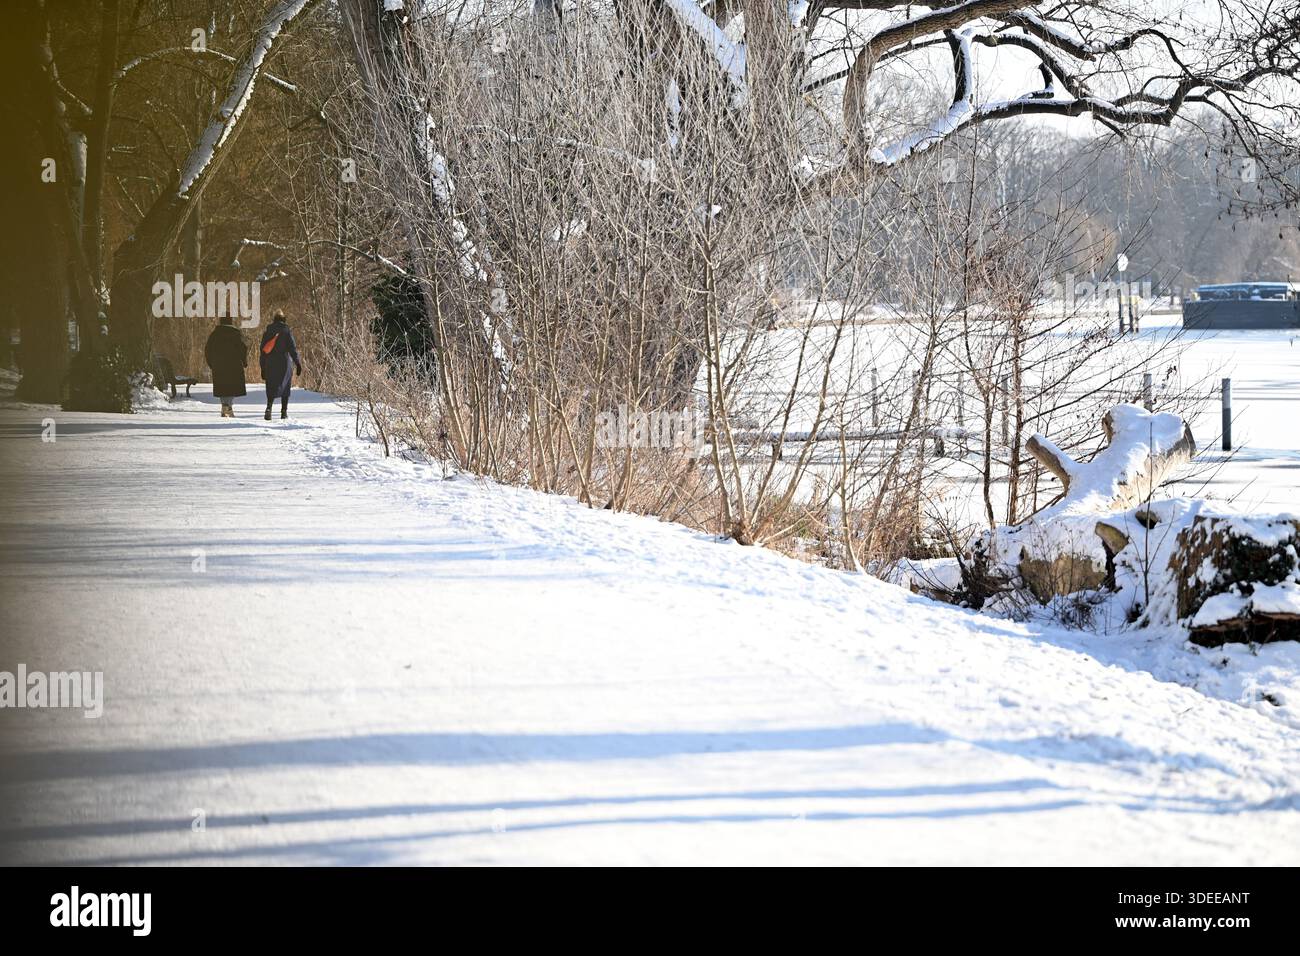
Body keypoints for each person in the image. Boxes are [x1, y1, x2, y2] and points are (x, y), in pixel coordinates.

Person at [259, 310, 302, 420]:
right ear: (284, 319)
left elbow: (263, 350)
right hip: (284, 362)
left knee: (271, 386)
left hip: (270, 362)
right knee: (285, 386)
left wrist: (262, 367)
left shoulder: (268, 331)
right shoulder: (286, 330)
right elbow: (292, 349)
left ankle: (268, 408)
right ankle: (284, 412)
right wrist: (297, 363)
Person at [204, 316, 248, 418]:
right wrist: (244, 362)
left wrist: (211, 364)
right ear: (231, 321)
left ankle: (225, 406)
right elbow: (243, 348)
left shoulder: (214, 335)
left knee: (222, 387)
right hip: (234, 365)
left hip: (218, 365)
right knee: (231, 387)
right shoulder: (236, 334)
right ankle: (228, 408)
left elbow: (208, 350)